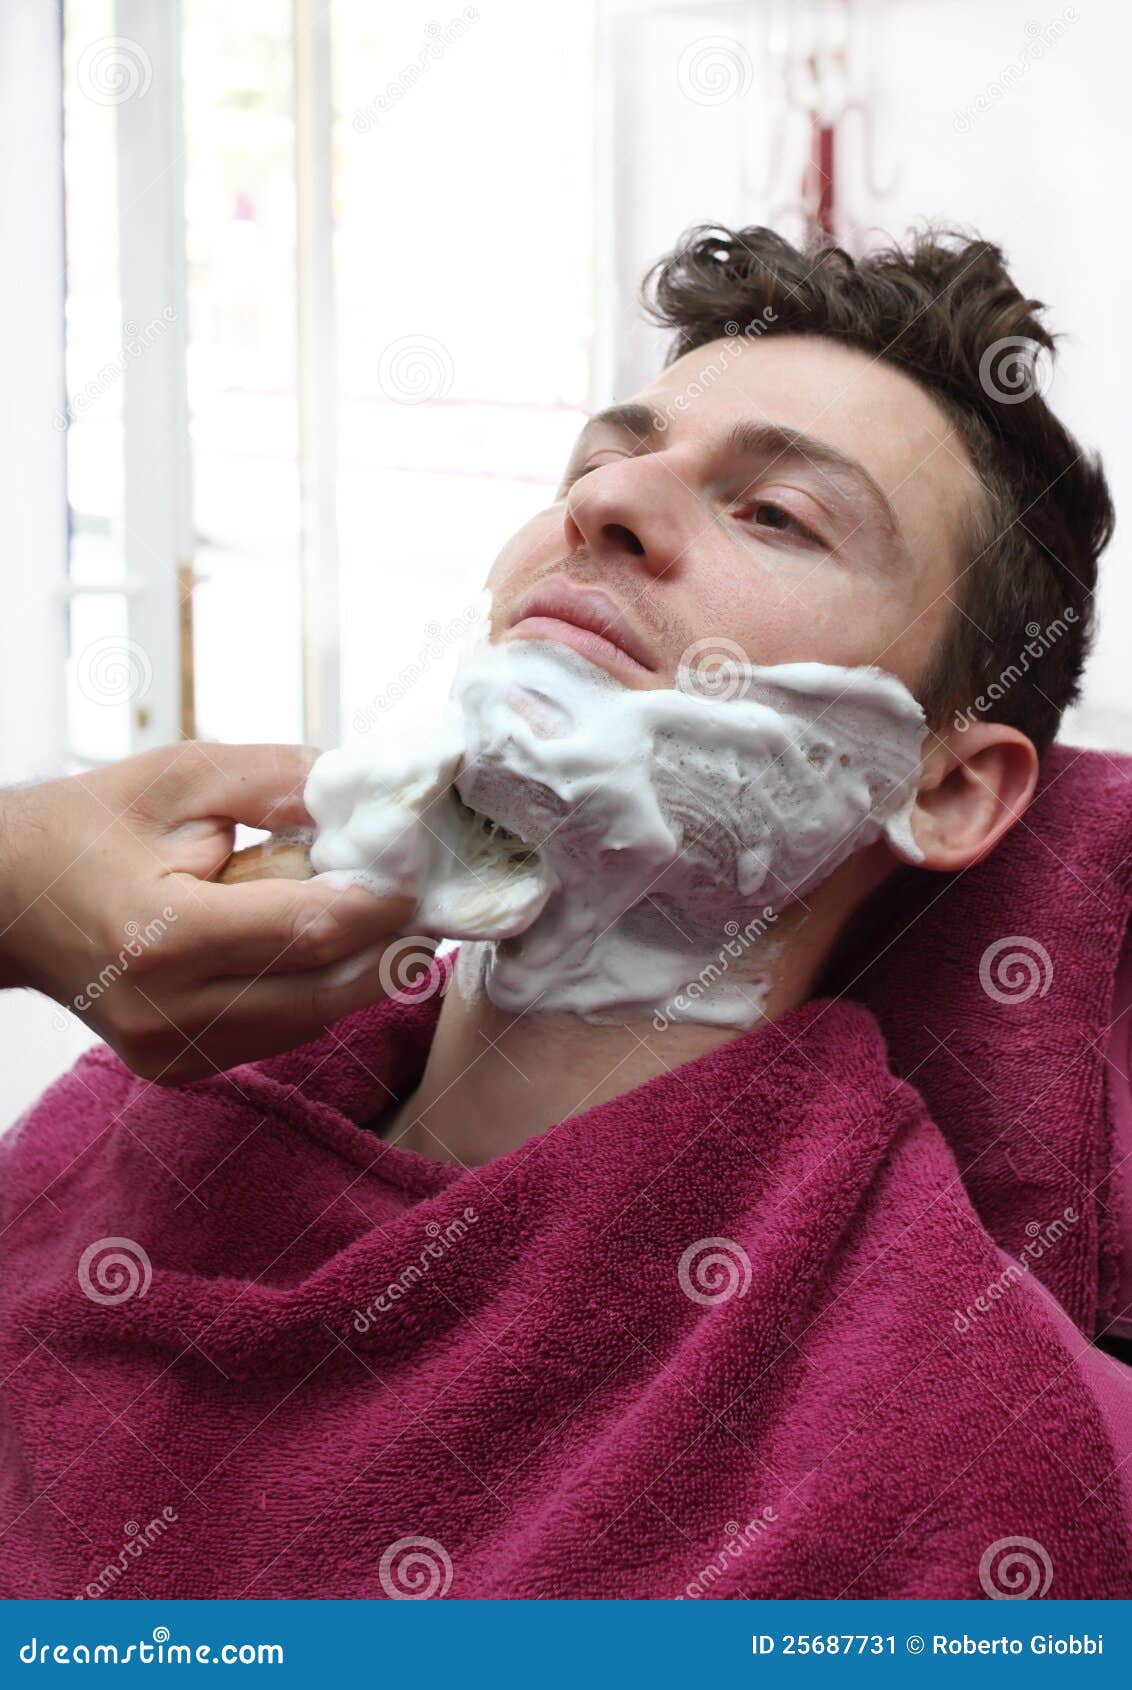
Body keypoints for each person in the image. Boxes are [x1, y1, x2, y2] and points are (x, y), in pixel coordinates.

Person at [1, 225, 1130, 1602]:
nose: (598, 512)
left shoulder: (971, 1459)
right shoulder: (145, 1121)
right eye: (598, 465)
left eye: (774, 513)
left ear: (946, 790)